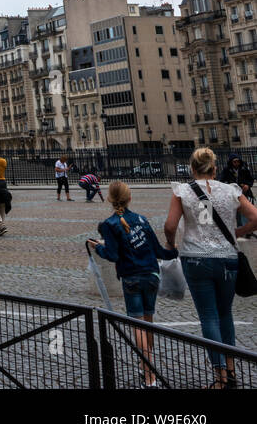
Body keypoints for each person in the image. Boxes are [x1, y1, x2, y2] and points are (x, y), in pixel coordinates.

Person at [165, 147, 257, 386]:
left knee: (208, 316)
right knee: (225, 314)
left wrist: (170, 242)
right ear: (215, 169)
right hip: (228, 258)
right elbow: (256, 217)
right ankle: (231, 368)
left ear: (193, 169)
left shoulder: (183, 191)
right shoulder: (231, 190)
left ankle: (220, 377)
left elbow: (170, 225)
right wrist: (237, 233)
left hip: (195, 258)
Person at [88, 180, 177, 387]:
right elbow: (158, 251)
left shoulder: (110, 224)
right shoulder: (142, 219)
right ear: (130, 198)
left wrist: (96, 248)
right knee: (148, 321)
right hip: (152, 275)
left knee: (137, 324)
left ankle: (148, 375)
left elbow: (111, 255)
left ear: (110, 199)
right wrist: (174, 251)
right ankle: (146, 366)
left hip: (131, 277)